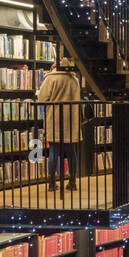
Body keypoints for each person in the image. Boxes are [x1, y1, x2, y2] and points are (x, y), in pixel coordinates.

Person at [37, 55, 82, 192]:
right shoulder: (74, 79)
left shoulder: (51, 78)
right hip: (71, 118)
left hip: (54, 118)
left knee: (53, 151)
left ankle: (51, 182)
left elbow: (42, 98)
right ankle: (72, 181)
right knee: (71, 151)